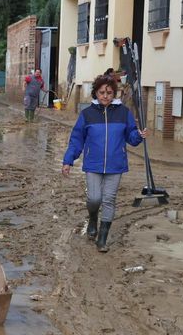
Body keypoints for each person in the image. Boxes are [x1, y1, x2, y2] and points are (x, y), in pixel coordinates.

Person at [61, 75, 150, 253]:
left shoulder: (124, 113)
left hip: (116, 164)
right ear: (96, 93)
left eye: (109, 92)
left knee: (109, 200)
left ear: (113, 93)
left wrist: (139, 135)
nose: (105, 96)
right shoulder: (87, 114)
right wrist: (68, 160)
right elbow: (77, 140)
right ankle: (93, 217)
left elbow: (131, 137)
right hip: (93, 164)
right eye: (102, 92)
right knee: (94, 198)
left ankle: (102, 238)